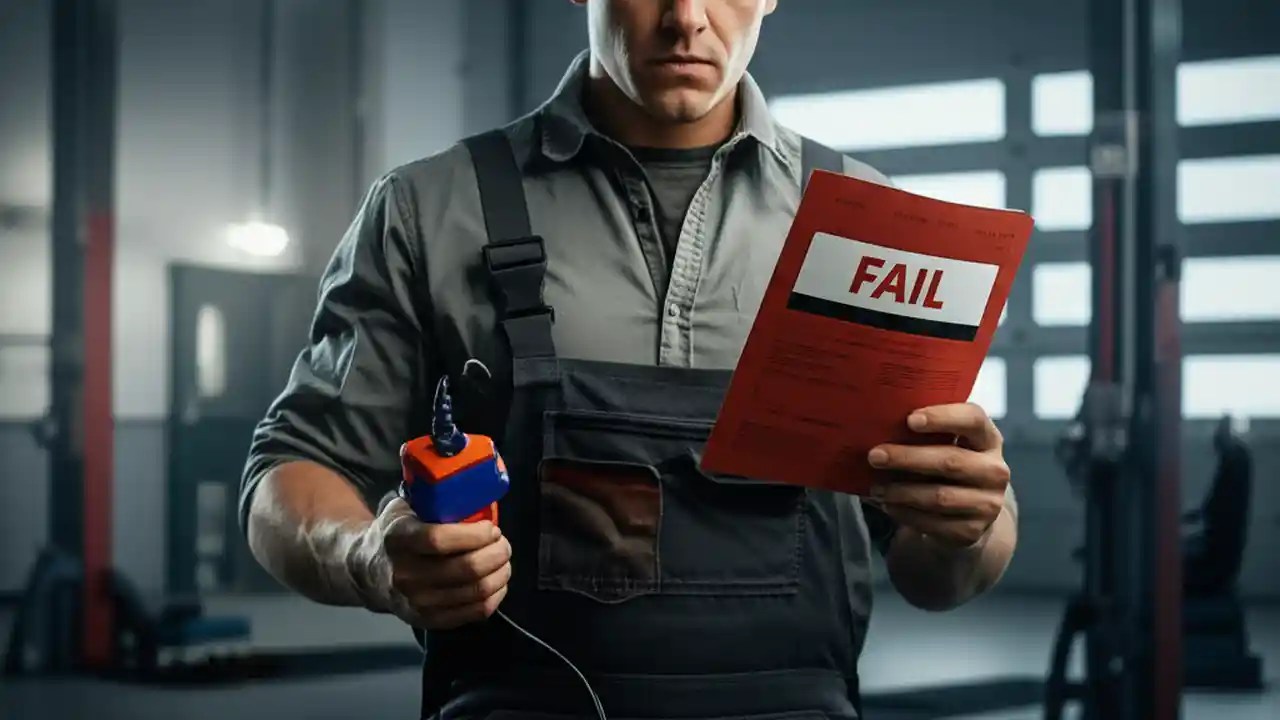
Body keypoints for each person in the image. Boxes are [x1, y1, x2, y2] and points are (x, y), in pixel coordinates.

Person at [239, 1, 1019, 717]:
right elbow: (289, 470)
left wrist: (967, 528)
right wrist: (367, 555)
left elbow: (937, 574)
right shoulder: (432, 210)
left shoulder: (870, 226)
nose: (686, 19)